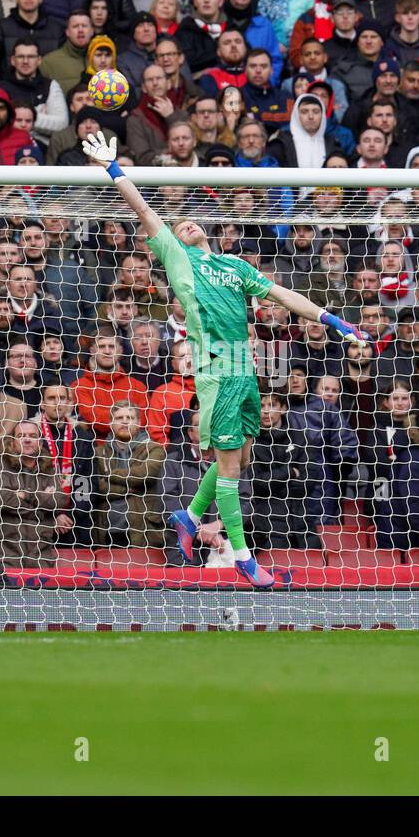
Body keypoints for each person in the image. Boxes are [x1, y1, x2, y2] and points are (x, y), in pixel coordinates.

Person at [81, 129, 368, 586]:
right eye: (178, 226)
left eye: (191, 222)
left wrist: (333, 319)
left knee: (241, 457)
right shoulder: (178, 259)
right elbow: (144, 209)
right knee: (231, 468)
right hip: (217, 370)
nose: (185, 224)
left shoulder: (234, 266)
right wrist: (112, 168)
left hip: (246, 368)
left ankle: (190, 516)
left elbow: (282, 293)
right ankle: (244, 557)